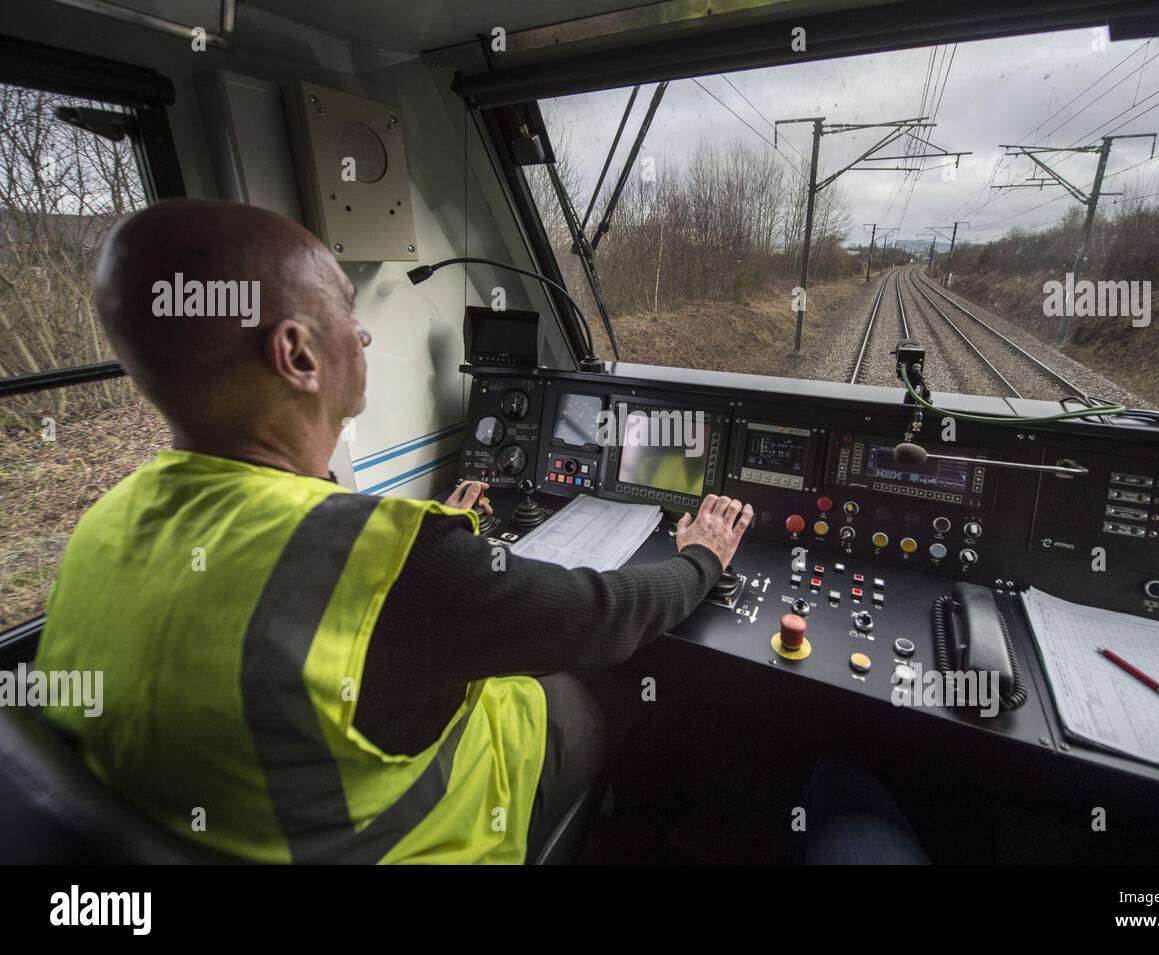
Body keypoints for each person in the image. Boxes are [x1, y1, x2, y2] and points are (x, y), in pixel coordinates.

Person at [35, 198, 752, 864]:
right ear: (298, 355)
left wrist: (446, 537)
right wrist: (699, 557)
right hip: (425, 832)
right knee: (625, 681)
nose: (364, 331)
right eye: (347, 310)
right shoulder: (398, 561)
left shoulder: (103, 526)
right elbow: (604, 618)